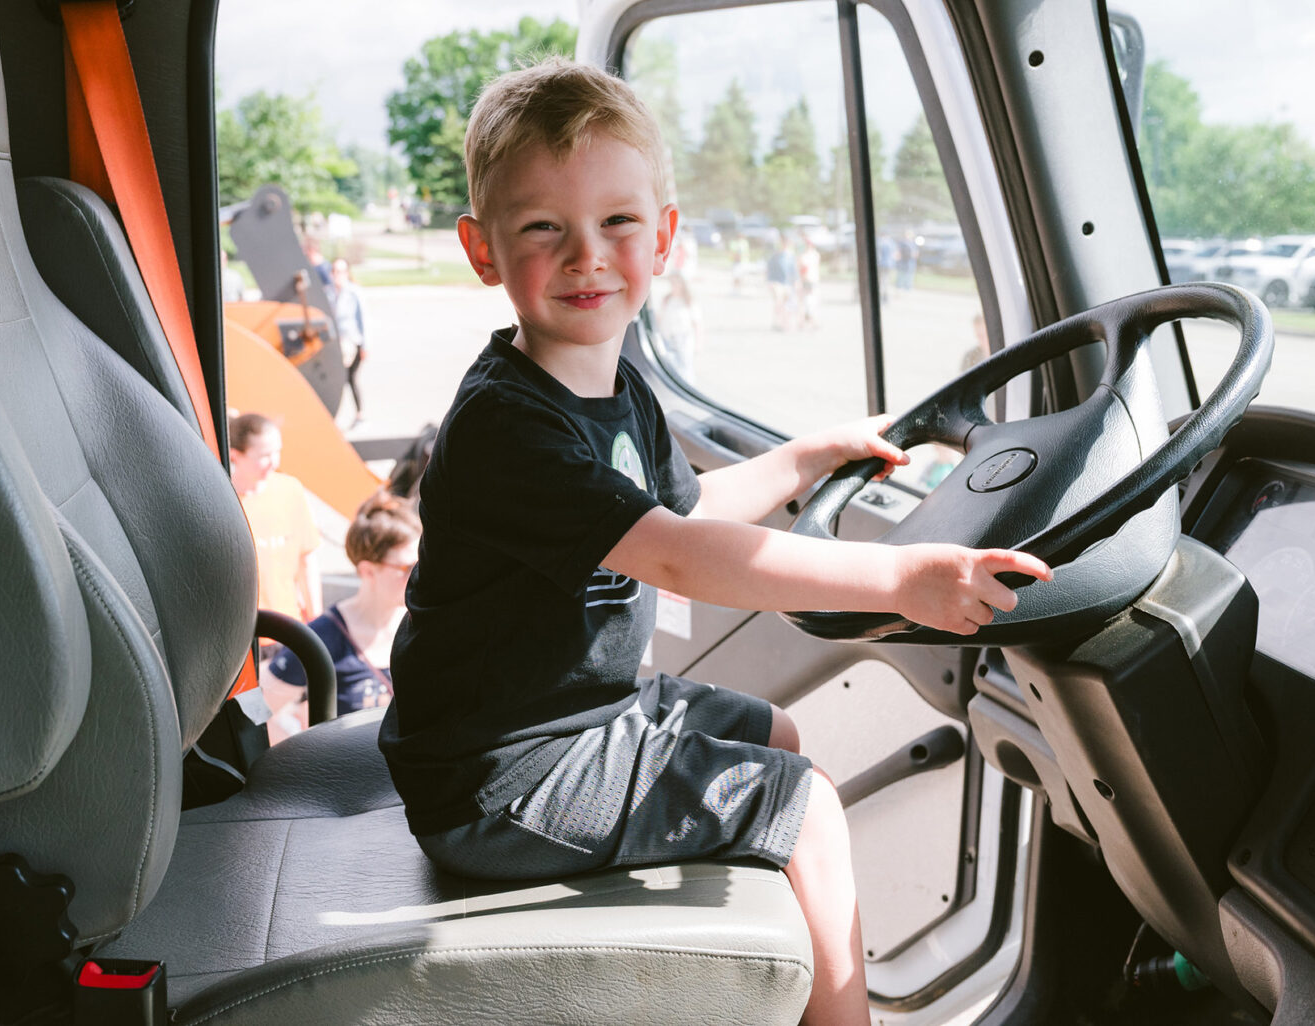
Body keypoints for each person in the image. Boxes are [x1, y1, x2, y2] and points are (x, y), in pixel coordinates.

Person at [377, 57, 1051, 1026]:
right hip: (504, 776)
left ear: (665, 237)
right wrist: (901, 576)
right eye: (543, 229)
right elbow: (680, 558)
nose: (587, 257)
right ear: (483, 252)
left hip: (575, 712)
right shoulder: (508, 428)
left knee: (777, 735)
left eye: (617, 224)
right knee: (811, 811)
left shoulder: (618, 386)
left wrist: (806, 458)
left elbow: (684, 513)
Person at [261, 490, 418, 743]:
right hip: (348, 778)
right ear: (368, 571)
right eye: (407, 567)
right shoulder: (323, 637)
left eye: (422, 564)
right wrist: (300, 752)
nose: (418, 575)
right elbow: (254, 713)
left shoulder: (421, 624)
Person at [229, 412, 322, 625]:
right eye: (264, 456)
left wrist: (316, 618)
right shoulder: (227, 501)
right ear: (235, 456)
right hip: (246, 630)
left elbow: (306, 559)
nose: (274, 462)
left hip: (288, 625)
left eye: (277, 452)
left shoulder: (291, 490)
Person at [328, 257, 369, 426]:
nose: (338, 275)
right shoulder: (328, 293)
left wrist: (365, 346)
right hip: (335, 343)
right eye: (335, 271)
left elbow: (363, 320)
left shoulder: (353, 293)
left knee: (349, 378)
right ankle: (335, 415)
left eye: (341, 271)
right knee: (339, 380)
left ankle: (359, 414)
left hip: (351, 342)